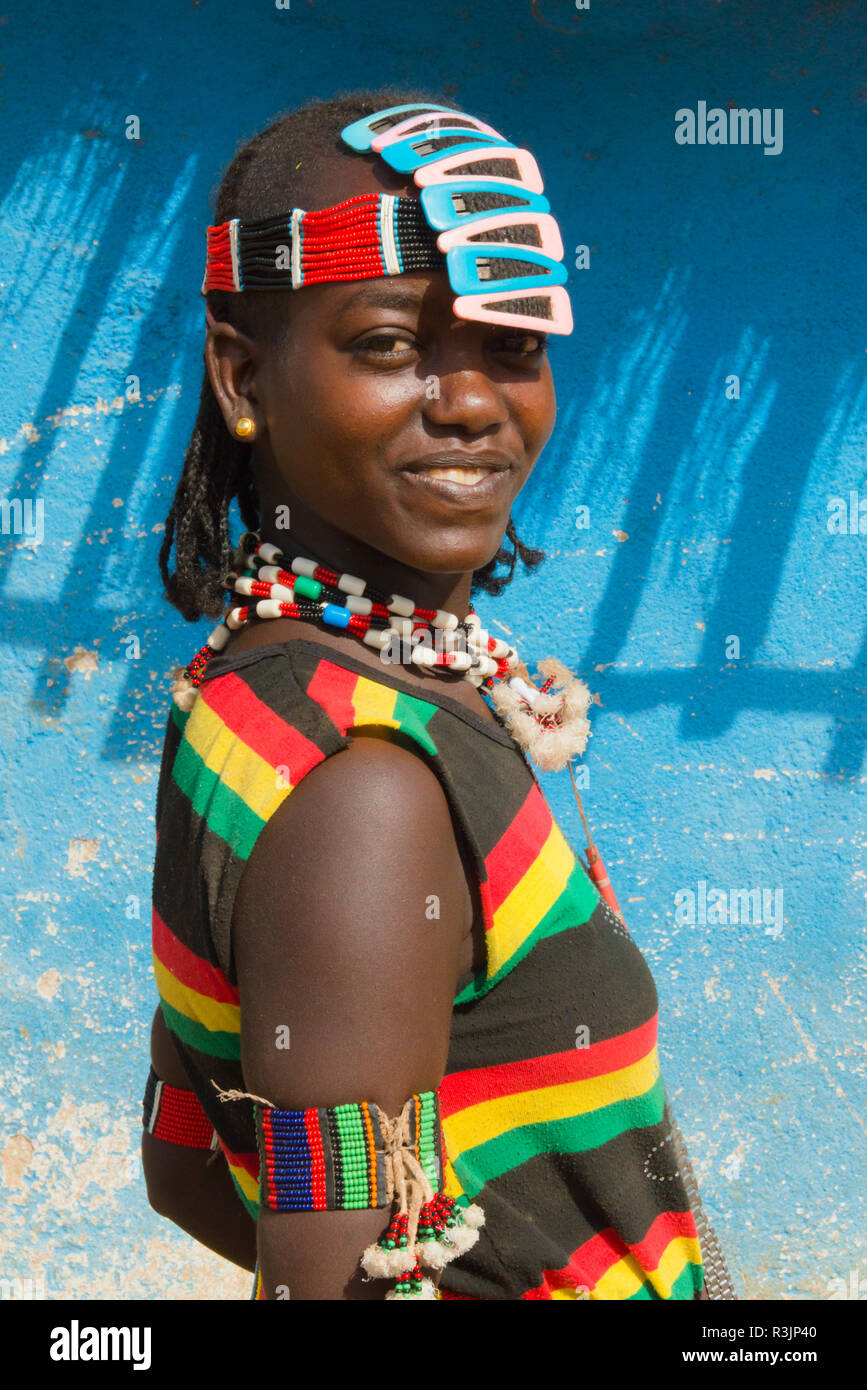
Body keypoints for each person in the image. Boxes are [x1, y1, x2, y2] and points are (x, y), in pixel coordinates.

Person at [141, 86, 734, 1300]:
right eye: (391, 344)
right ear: (243, 375)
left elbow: (185, 1151)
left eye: (511, 348)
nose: (471, 403)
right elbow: (344, 1283)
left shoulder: (265, 694)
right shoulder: (368, 791)